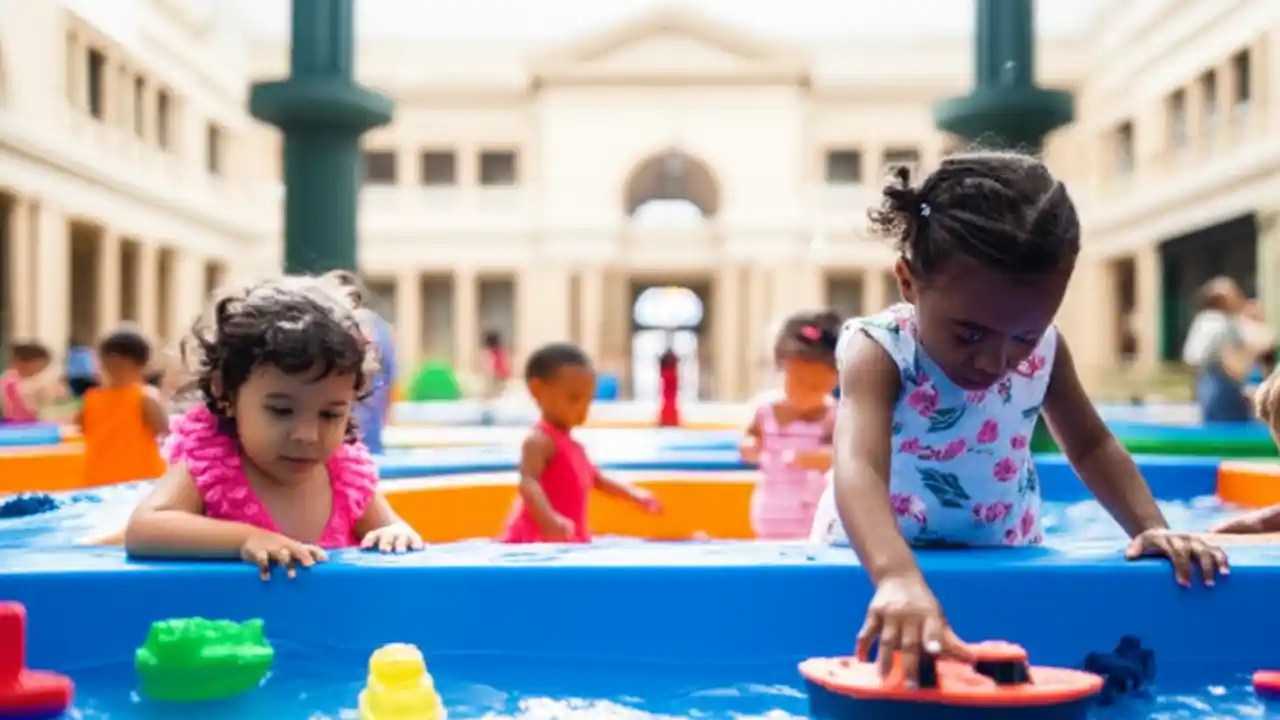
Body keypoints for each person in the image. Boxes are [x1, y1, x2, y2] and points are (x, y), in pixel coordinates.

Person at [812, 154, 1228, 682]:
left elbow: (1091, 445)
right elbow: (858, 465)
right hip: (873, 566)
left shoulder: (1047, 351)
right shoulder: (881, 350)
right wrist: (895, 577)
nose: (997, 361)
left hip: (1006, 555)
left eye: (1025, 335)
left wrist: (1152, 528)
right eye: (969, 333)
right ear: (909, 282)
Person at [124, 276, 423, 580]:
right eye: (281, 410)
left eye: (330, 415)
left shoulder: (344, 478)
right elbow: (144, 528)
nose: (307, 435)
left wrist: (396, 534)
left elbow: (392, 528)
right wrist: (244, 539)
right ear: (224, 392)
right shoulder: (213, 468)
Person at [500, 342, 661, 543]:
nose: (583, 409)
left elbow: (597, 479)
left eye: (588, 400)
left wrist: (634, 495)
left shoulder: (574, 446)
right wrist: (548, 519)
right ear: (538, 390)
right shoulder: (539, 441)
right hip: (535, 543)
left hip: (566, 538)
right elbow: (528, 482)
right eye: (574, 398)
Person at [739, 311, 841, 539]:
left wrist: (816, 459)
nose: (805, 392)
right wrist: (750, 446)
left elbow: (842, 456)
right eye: (798, 381)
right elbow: (750, 437)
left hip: (811, 507)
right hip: (771, 506)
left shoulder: (832, 415)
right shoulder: (766, 410)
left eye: (816, 386)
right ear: (781, 370)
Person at [76, 328, 169, 486]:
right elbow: (84, 427)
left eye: (121, 365)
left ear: (140, 365)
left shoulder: (144, 397)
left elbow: (164, 431)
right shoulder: (92, 398)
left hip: (140, 481)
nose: (116, 371)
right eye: (110, 364)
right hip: (100, 479)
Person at [324, 270, 397, 454]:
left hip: (344, 443)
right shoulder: (382, 331)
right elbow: (390, 387)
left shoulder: (334, 328)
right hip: (368, 438)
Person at [1182, 277, 1273, 422]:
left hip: (1207, 383)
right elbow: (1234, 364)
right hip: (1223, 388)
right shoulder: (1224, 324)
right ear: (1223, 300)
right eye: (1235, 293)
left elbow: (1192, 359)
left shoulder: (1204, 320)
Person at [0, 342, 63, 422]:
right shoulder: (10, 382)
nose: (40, 371)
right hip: (16, 427)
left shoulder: (19, 381)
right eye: (41, 366)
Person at [657, 346, 680, 427]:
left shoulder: (668, 372)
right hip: (669, 379)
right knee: (669, 399)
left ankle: (669, 419)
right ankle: (669, 419)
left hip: (669, 379)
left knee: (669, 399)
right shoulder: (671, 371)